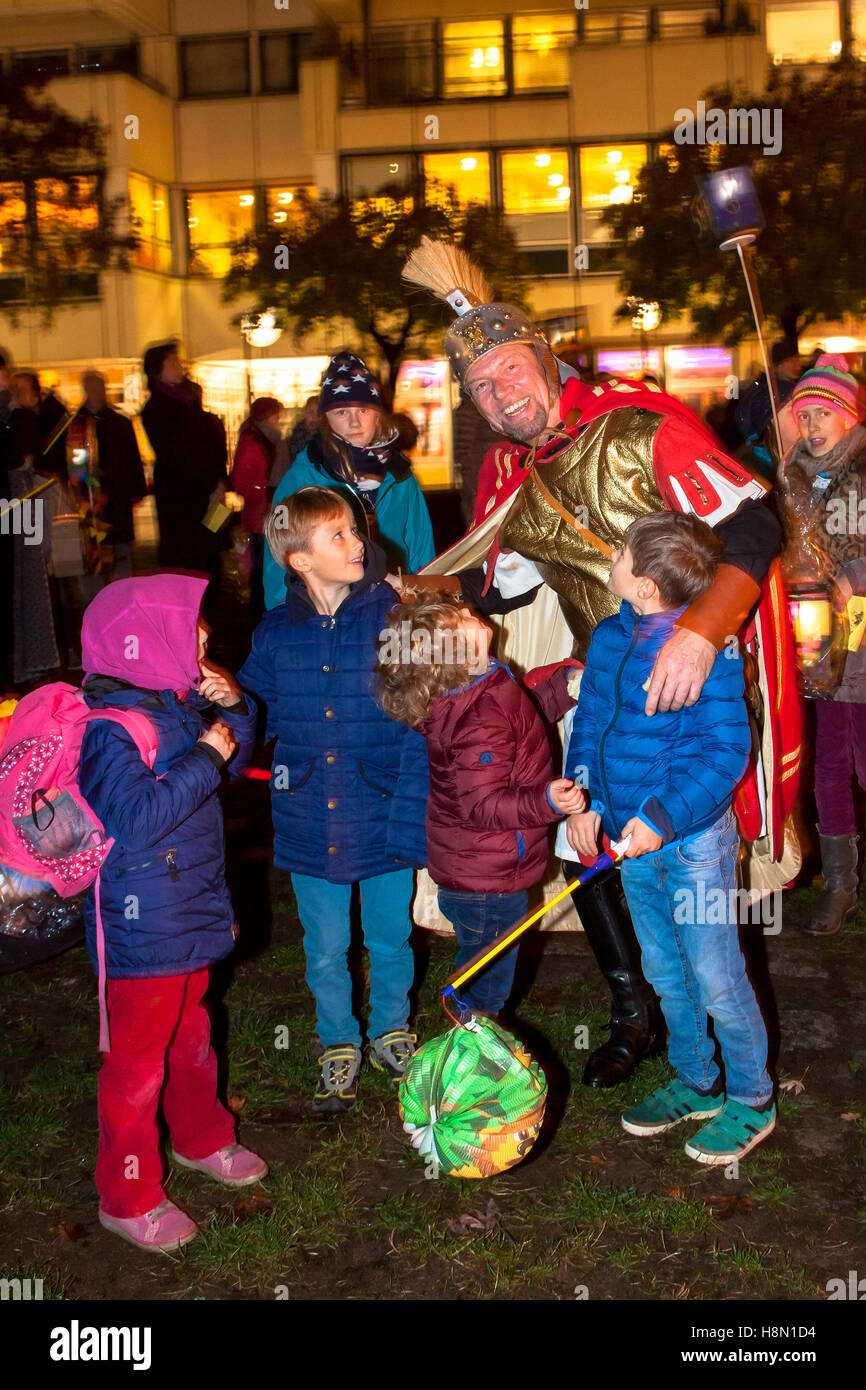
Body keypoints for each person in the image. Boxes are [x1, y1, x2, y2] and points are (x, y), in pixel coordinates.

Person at [399, 237, 798, 1088]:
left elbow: (755, 522)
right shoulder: (509, 470)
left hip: (691, 670)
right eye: (480, 388)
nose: (500, 395)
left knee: (684, 836)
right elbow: (507, 592)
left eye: (509, 371)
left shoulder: (633, 425)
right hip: (601, 671)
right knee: (587, 832)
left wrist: (702, 633)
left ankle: (728, 1054)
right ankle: (638, 1012)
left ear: (544, 361)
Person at [564, 511, 775, 1165]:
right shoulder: (606, 638)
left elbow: (724, 753)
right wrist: (583, 796)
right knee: (663, 969)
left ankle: (752, 1096)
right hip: (631, 841)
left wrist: (661, 816)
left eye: (623, 549)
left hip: (691, 844)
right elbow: (592, 721)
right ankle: (697, 1079)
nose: (613, 553)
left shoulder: (707, 653)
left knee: (716, 975)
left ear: (648, 584)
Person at [78, 574, 266, 1252]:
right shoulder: (110, 731)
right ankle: (127, 1194)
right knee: (136, 1069)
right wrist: (207, 755)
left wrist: (235, 711)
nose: (206, 636)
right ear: (143, 644)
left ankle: (200, 1136)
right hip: (140, 927)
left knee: (193, 1040)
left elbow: (234, 763)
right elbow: (137, 818)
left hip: (188, 911)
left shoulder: (178, 703)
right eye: (190, 627)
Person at [239, 487, 429, 1115]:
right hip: (306, 816)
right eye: (339, 536)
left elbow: (432, 703)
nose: (357, 544)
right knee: (323, 944)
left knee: (390, 935)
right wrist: (222, 709)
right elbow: (253, 714)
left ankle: (392, 1031)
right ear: (299, 559)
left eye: (355, 531)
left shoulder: (394, 619)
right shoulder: (274, 636)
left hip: (381, 806)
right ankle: (338, 1040)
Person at [375, 591, 585, 1016]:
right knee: (486, 991)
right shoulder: (477, 717)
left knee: (479, 976)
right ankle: (473, 1068)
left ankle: (472, 1052)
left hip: (477, 873)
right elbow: (485, 807)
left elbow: (521, 716)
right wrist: (545, 801)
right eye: (461, 618)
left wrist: (561, 692)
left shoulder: (482, 687)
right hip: (487, 883)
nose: (472, 611)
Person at [781, 354, 866, 935]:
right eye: (803, 413)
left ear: (849, 416)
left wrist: (850, 577)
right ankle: (841, 885)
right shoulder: (790, 476)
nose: (812, 425)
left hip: (860, 632)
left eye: (823, 414)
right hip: (811, 628)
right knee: (829, 759)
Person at [263, 352, 435, 610]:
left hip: (393, 611)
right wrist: (284, 621)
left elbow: (422, 551)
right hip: (327, 618)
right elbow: (279, 561)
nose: (355, 422)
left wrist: (426, 606)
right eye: (342, 411)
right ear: (326, 417)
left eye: (363, 410)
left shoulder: (401, 476)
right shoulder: (301, 479)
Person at [140, 341, 228, 580]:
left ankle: (211, 604)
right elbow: (179, 455)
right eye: (172, 363)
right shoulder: (158, 409)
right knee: (188, 560)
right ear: (158, 370)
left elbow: (211, 447)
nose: (179, 367)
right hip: (182, 498)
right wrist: (209, 485)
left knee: (211, 553)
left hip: (209, 492)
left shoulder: (191, 403)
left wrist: (220, 483)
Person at [69, 372, 146, 580]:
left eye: (100, 388)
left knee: (120, 549)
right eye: (93, 388)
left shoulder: (119, 423)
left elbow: (132, 457)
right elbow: (75, 464)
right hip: (90, 499)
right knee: (94, 548)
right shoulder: (77, 425)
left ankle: (120, 593)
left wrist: (137, 489)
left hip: (117, 496)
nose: (97, 393)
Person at [229, 396, 284, 611]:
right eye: (276, 415)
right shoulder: (254, 442)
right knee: (261, 562)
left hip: (267, 511)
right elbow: (240, 480)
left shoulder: (267, 439)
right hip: (259, 512)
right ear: (266, 416)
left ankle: (263, 604)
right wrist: (262, 493)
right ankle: (259, 607)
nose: (278, 420)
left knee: (265, 561)